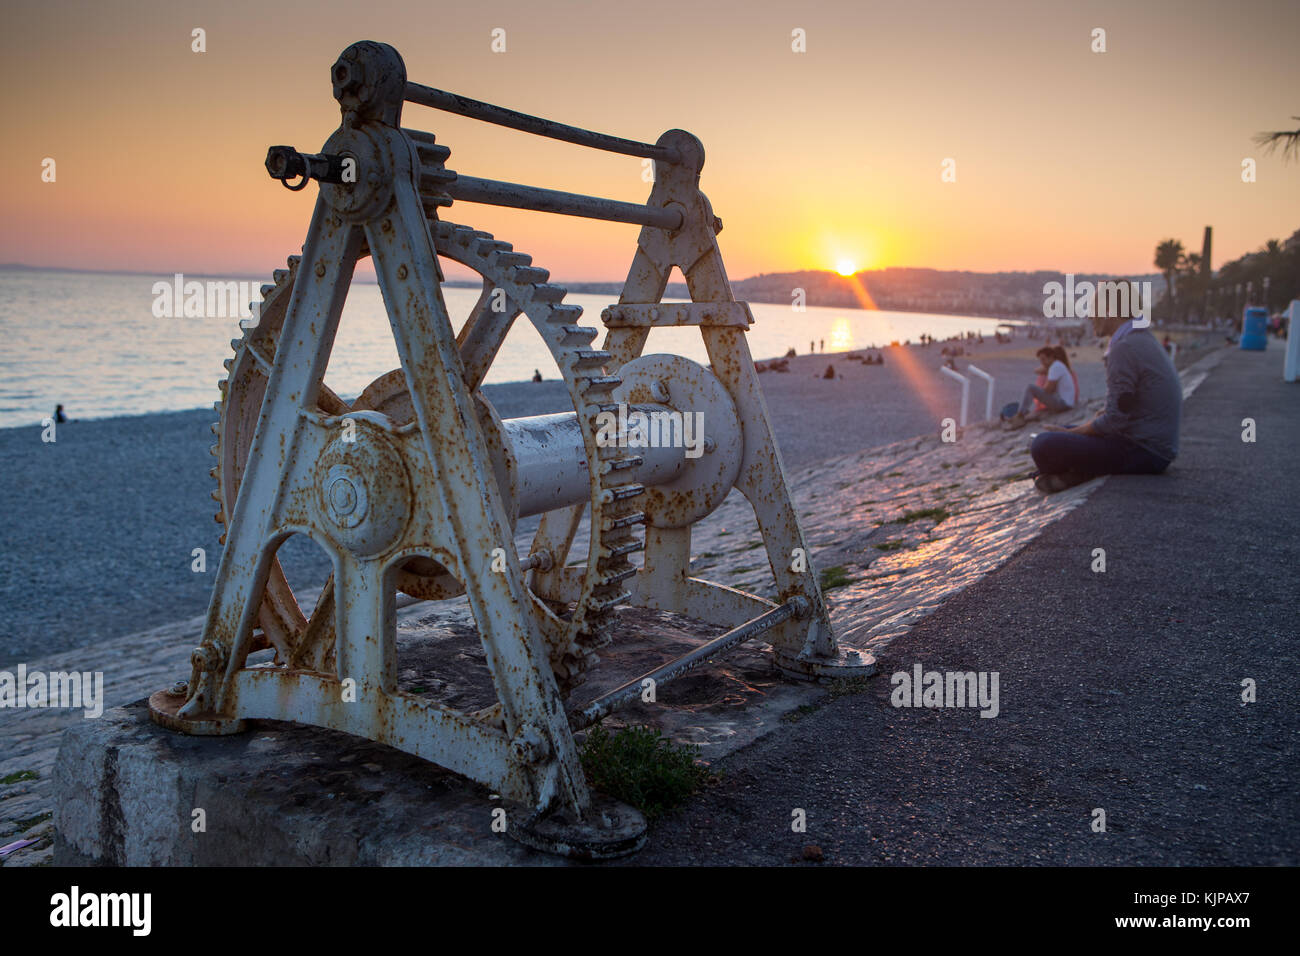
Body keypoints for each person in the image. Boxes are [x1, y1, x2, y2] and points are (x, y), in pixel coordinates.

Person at [1029, 300, 1181, 493]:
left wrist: (1072, 434)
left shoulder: (1124, 347)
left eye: (1094, 309)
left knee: (1043, 444)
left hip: (1145, 451)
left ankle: (1081, 472)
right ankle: (1076, 471)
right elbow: (1123, 409)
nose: (1090, 316)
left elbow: (1114, 421)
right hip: (1153, 445)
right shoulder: (1140, 337)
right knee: (1059, 433)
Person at [1005, 346, 1075, 427]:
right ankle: (1020, 414)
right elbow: (1038, 371)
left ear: (1051, 357)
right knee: (1033, 389)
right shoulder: (1057, 365)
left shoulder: (1055, 367)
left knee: (1030, 388)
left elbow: (1048, 390)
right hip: (1066, 403)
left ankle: (1020, 416)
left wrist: (1039, 393)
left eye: (1043, 359)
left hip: (1063, 404)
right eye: (1041, 360)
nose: (1042, 362)